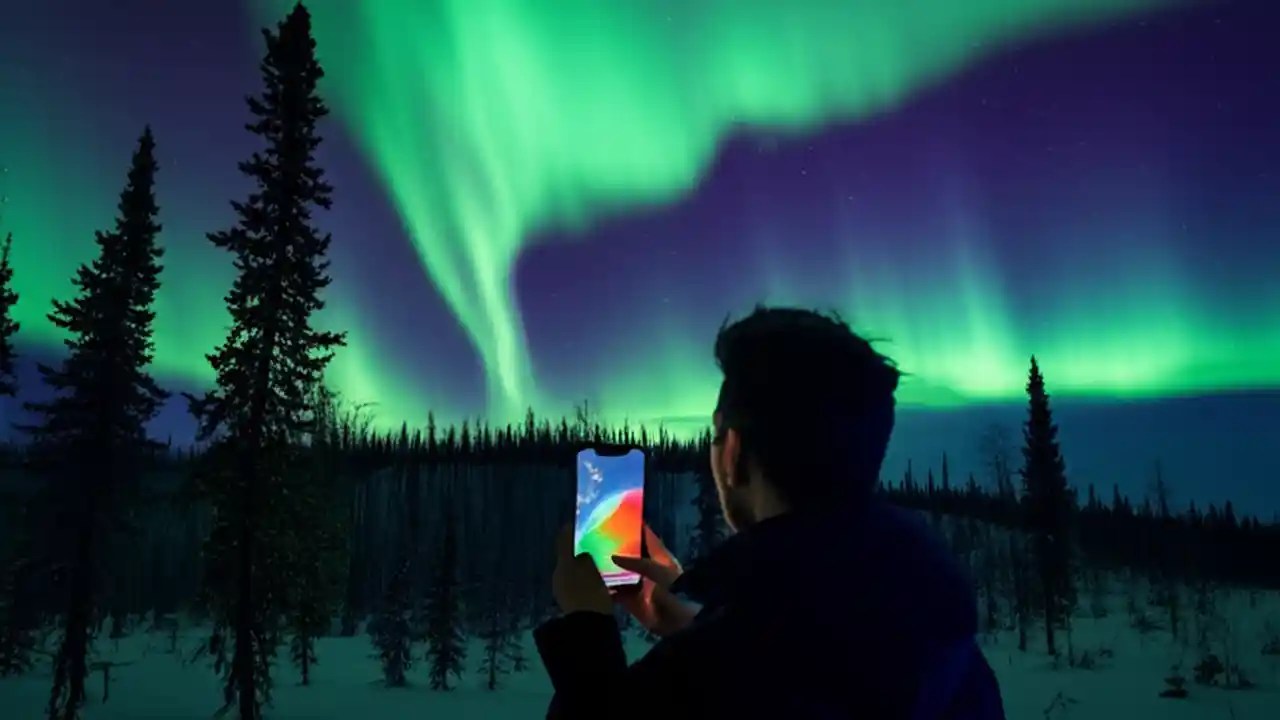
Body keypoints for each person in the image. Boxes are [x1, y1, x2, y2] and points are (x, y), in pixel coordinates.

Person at [535, 306, 1006, 719]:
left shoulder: (724, 671)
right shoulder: (944, 637)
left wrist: (585, 628)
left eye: (716, 435)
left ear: (733, 453)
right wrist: (692, 622)